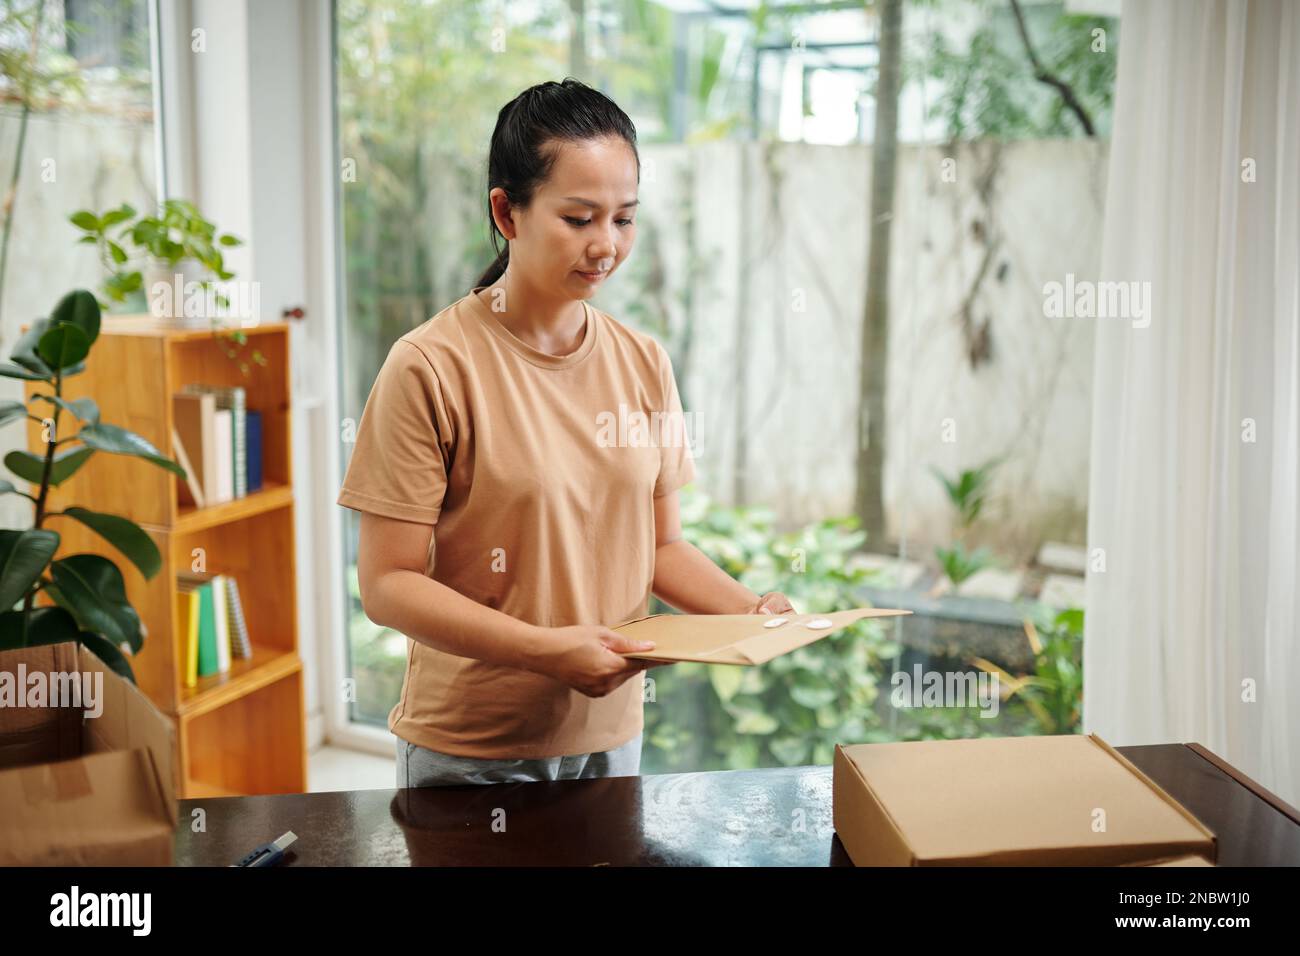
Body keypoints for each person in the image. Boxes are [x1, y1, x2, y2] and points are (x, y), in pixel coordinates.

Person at [337, 77, 793, 789]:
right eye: (579, 218)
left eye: (623, 219)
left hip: (611, 739)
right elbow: (388, 584)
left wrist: (752, 611)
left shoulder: (642, 362)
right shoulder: (428, 366)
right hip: (473, 751)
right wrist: (545, 650)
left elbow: (661, 547)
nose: (605, 245)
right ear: (507, 212)